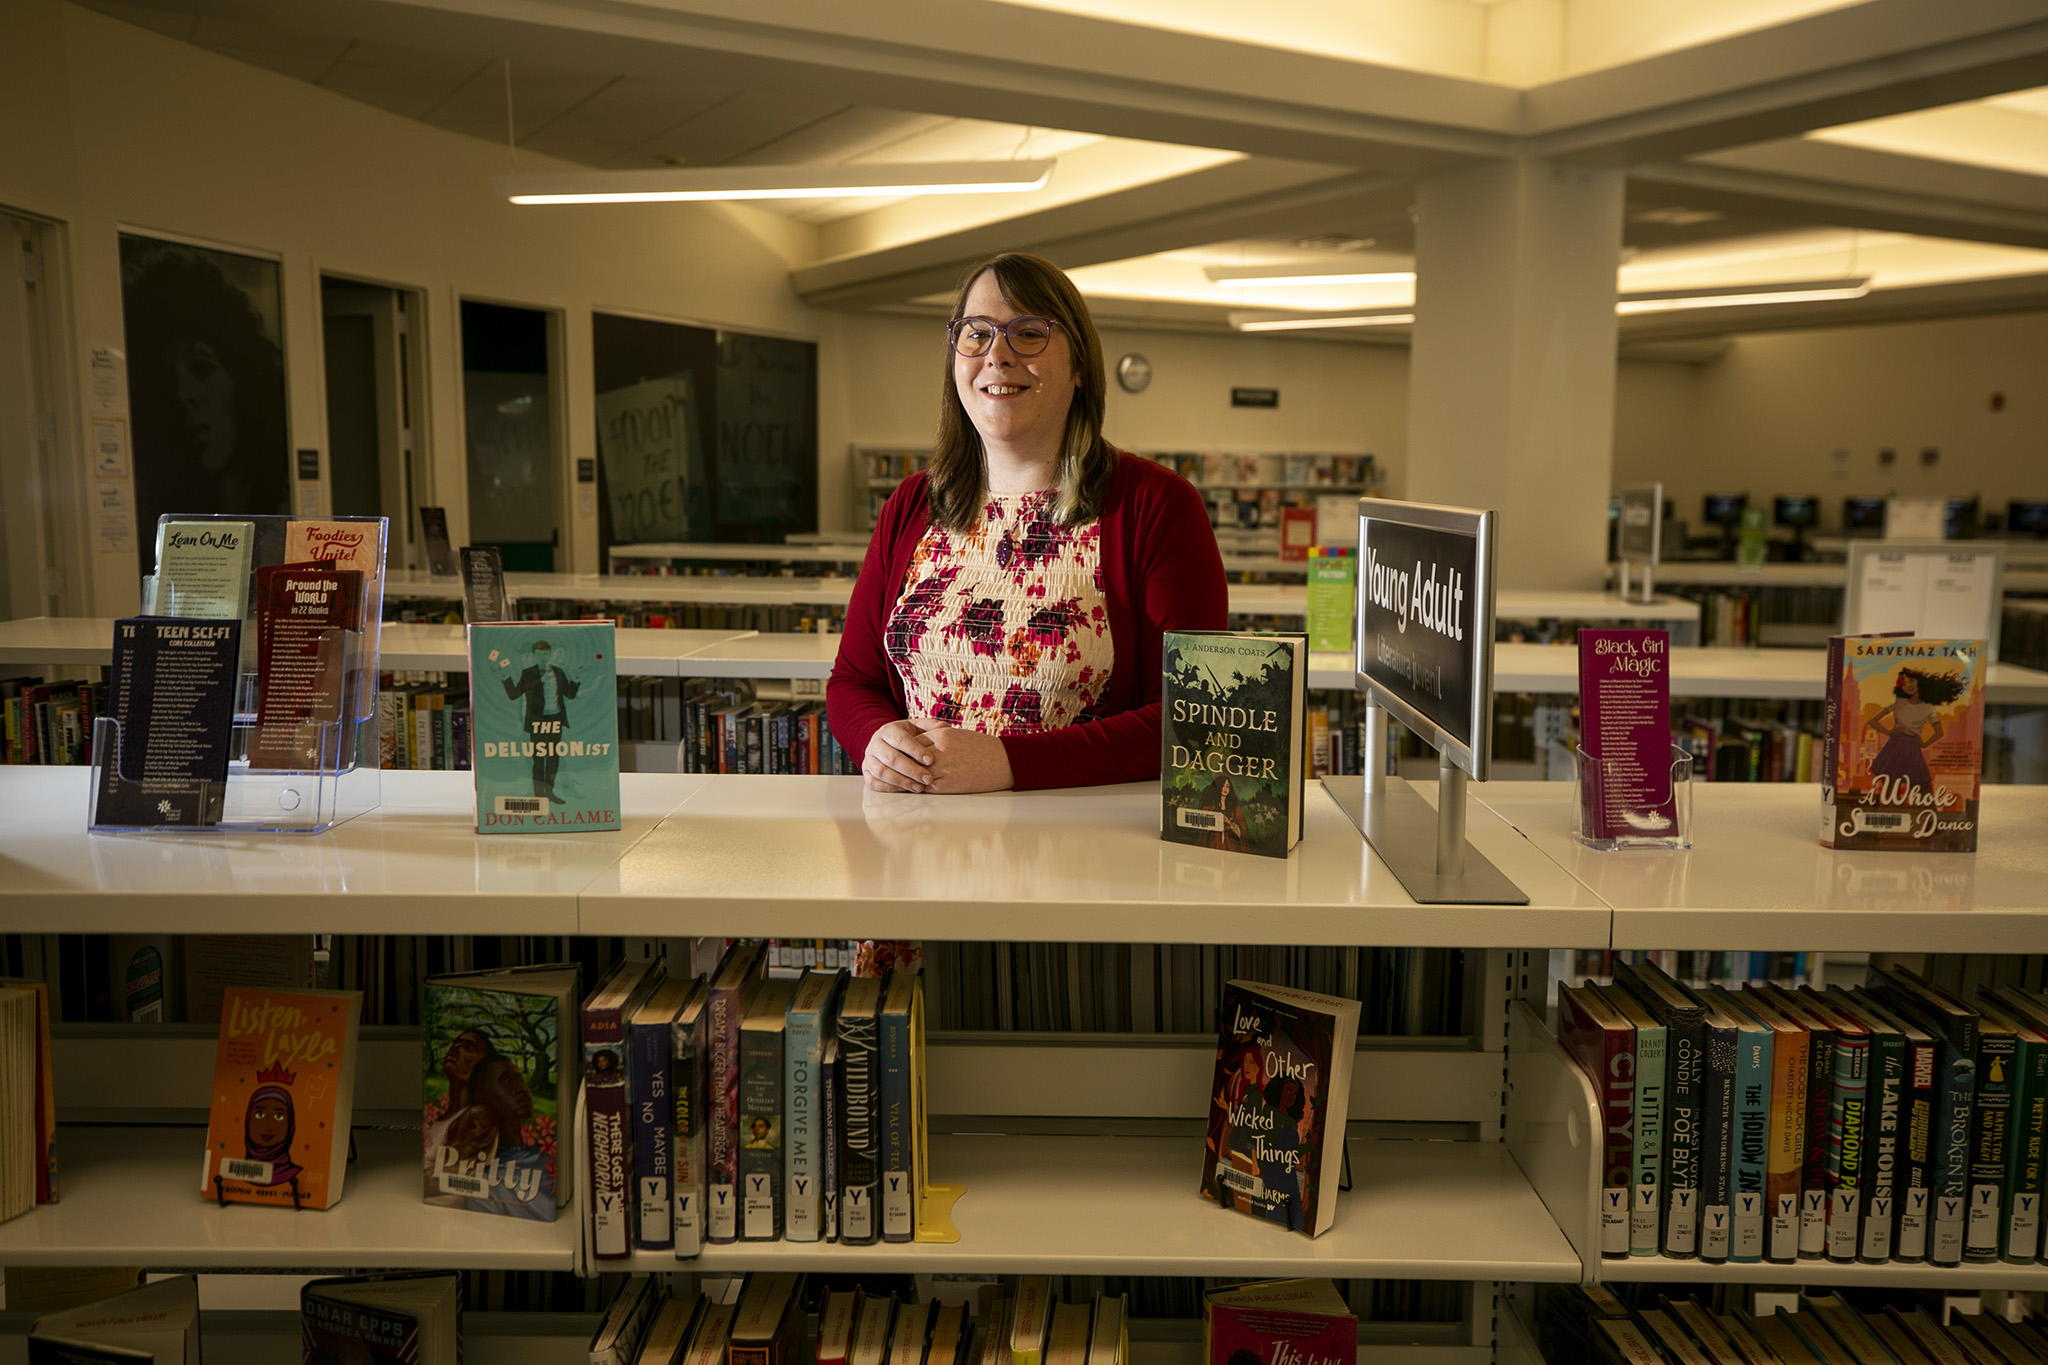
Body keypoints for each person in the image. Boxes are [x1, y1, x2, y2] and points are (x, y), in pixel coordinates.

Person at [828, 252, 1228, 793]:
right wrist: (876, 739)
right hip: (918, 839)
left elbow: (1193, 714)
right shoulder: (913, 504)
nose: (998, 355)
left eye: (1029, 332)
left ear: (1080, 365)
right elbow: (855, 680)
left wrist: (1008, 763)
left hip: (1083, 849)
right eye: (976, 334)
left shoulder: (1156, 505)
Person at [1864, 666, 1967, 792]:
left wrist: (1924, 744)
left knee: (1920, 786)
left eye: (1912, 681)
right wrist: (1888, 732)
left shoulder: (1928, 707)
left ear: (1919, 681)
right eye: (1904, 683)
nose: (1909, 686)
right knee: (1888, 786)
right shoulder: (1900, 702)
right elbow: (1872, 720)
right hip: (1893, 745)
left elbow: (1939, 732)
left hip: (1911, 747)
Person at [502, 639, 580, 804]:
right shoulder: (528, 673)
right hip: (537, 720)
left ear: (549, 654)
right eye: (539, 654)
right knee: (539, 759)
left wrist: (576, 679)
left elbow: (570, 694)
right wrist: (505, 677)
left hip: (555, 719)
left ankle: (549, 792)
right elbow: (513, 695)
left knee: (553, 757)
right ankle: (539, 797)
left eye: (545, 654)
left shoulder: (559, 672)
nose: (543, 657)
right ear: (534, 656)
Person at [241, 1083, 301, 1187]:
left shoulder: (298, 1175)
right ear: (248, 1120)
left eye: (278, 1116)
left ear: (289, 1123)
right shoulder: (232, 1173)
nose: (268, 1126)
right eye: (260, 1115)